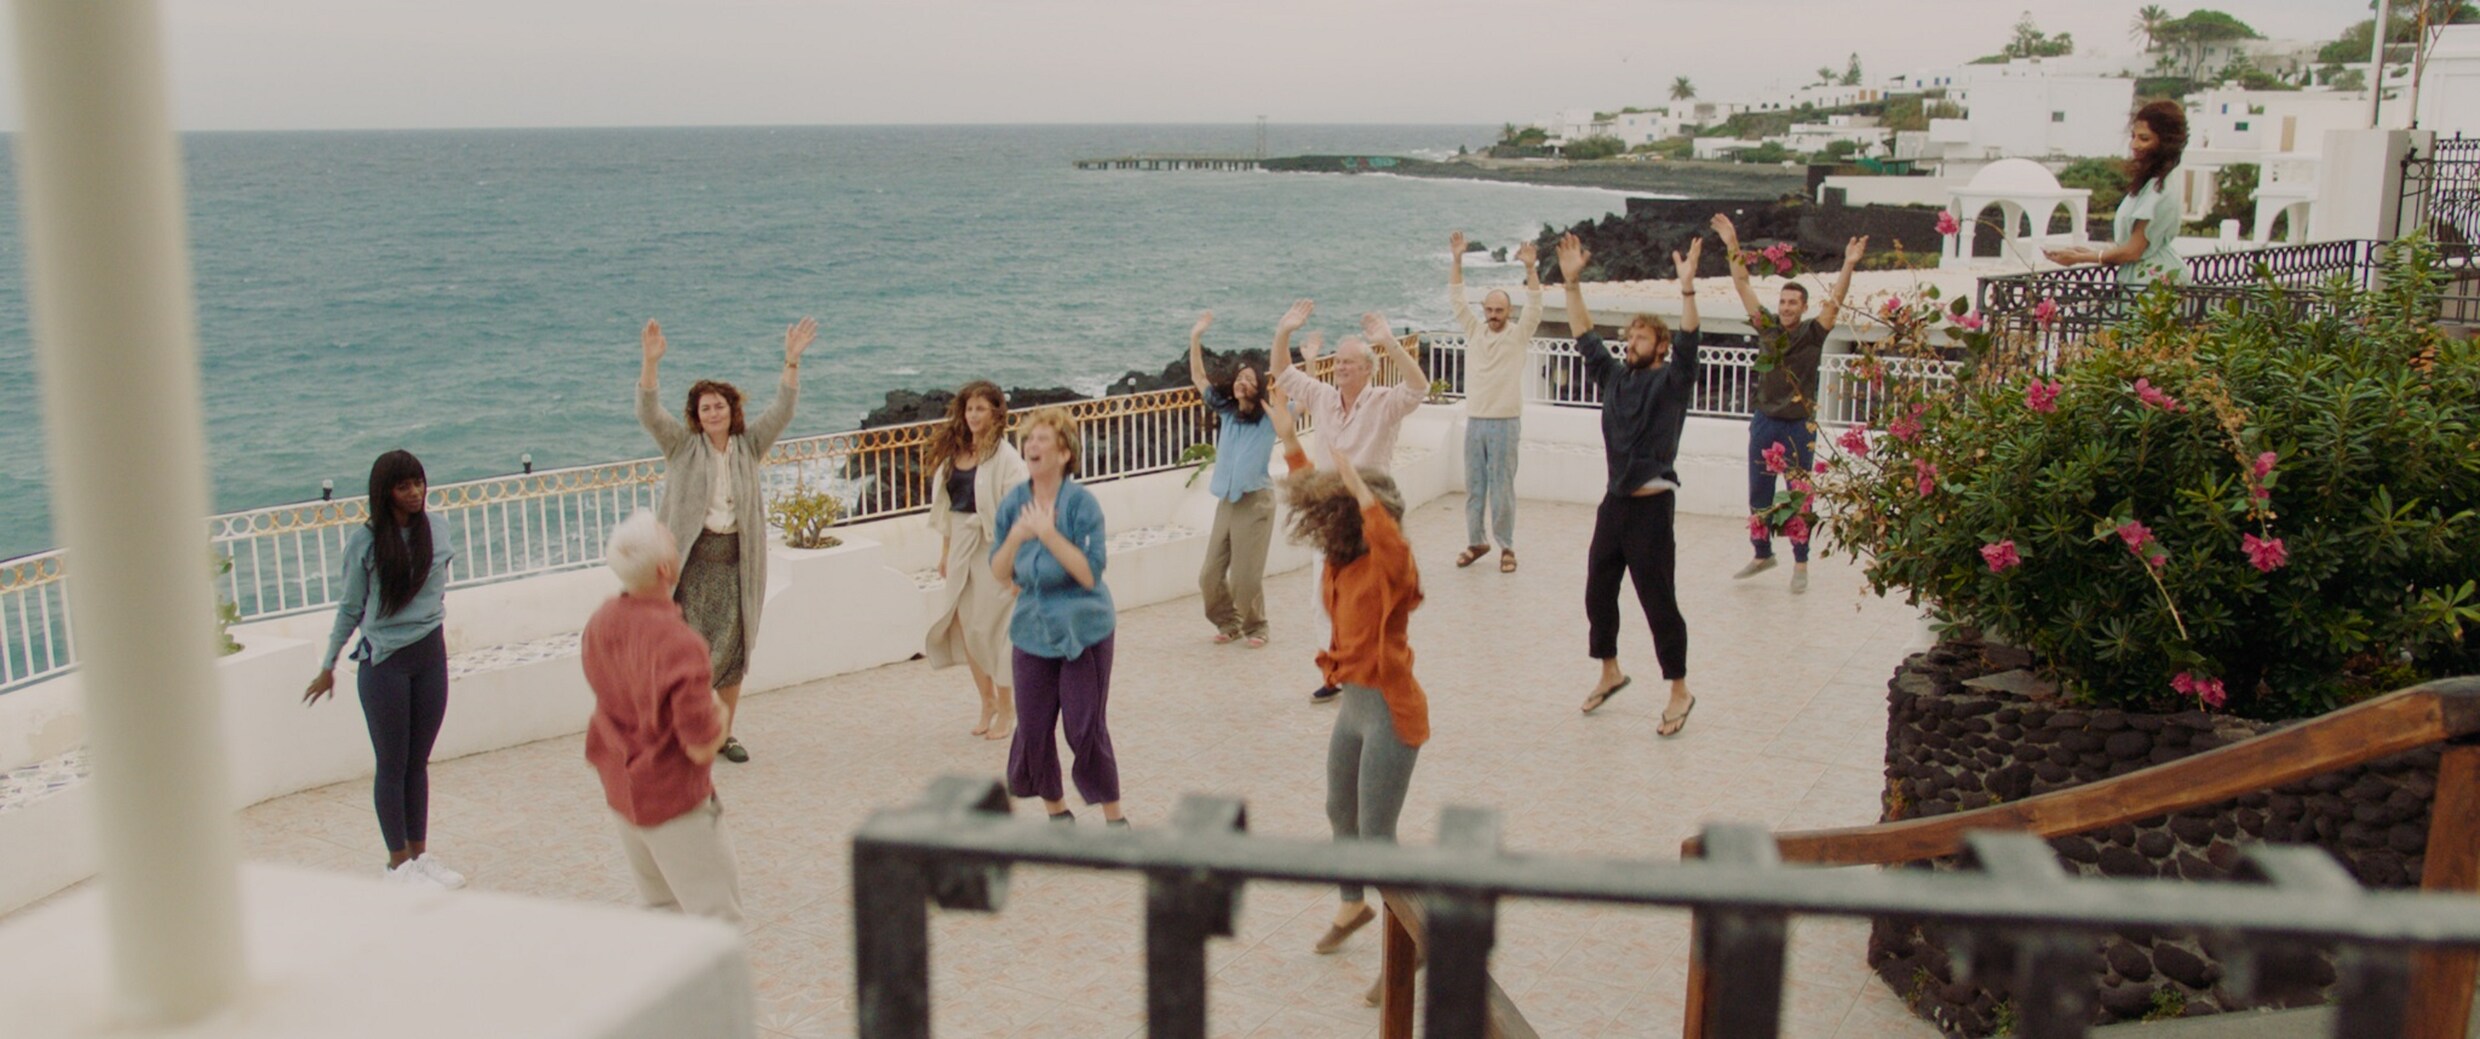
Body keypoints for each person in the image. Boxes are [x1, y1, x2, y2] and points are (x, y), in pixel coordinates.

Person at [1266, 383, 1427, 957]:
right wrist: (1289, 440)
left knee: (1378, 839)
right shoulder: (1340, 557)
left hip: (1390, 713)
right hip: (1355, 708)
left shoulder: (1391, 568)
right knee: (1341, 811)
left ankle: (1418, 941)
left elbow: (1391, 546)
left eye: (1348, 504)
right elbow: (1309, 491)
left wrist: (1362, 490)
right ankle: (1351, 903)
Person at [635, 317, 814, 763]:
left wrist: (791, 360)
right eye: (704, 408)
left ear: (732, 410)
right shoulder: (681, 446)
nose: (712, 413)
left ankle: (722, 735)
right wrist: (650, 363)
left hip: (736, 563)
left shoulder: (749, 446)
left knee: (732, 656)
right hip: (692, 566)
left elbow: (783, 409)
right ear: (695, 416)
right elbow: (648, 413)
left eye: (719, 406)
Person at [302, 450, 465, 889]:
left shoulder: (439, 529)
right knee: (392, 764)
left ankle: (420, 854)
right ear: (385, 493)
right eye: (403, 486)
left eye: (418, 483)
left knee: (419, 762)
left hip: (431, 655)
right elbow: (350, 607)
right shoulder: (367, 542)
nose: (414, 493)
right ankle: (397, 864)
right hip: (386, 663)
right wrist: (328, 664)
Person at [1560, 232, 1700, 736]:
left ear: (1659, 346)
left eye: (1641, 337)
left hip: (1651, 507)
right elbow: (1584, 335)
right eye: (1630, 335)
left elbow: (1689, 344)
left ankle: (1679, 690)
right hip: (1614, 502)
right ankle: (1610, 671)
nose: (1630, 341)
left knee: (1657, 598)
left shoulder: (1671, 383)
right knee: (1599, 590)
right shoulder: (1616, 378)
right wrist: (1571, 283)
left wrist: (1687, 292)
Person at [581, 510, 744, 925]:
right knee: (717, 918)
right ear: (666, 569)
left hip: (623, 789)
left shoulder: (601, 622)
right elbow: (701, 741)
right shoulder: (679, 643)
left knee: (660, 911)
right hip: (674, 798)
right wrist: (720, 713)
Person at [1270, 304, 1426, 705]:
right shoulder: (1322, 397)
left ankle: (1370, 666)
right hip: (1331, 512)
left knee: (1370, 596)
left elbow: (1418, 386)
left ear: (1368, 369)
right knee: (1324, 593)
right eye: (1337, 361)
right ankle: (1334, 672)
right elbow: (1284, 373)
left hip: (1371, 512)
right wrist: (1283, 331)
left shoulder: (1383, 403)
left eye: (1349, 363)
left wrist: (1389, 341)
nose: (1340, 367)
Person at [1711, 214, 1864, 595]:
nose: (1786, 307)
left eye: (1793, 301)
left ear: (1804, 305)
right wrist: (1732, 242)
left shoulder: (1813, 334)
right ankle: (1762, 553)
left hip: (1798, 426)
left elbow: (1836, 301)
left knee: (1799, 496)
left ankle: (1801, 562)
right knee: (1759, 494)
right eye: (1782, 300)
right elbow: (1742, 283)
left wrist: (1848, 263)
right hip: (1765, 421)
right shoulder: (1767, 327)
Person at [992, 408, 1128, 826]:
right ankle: (1057, 811)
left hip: (1083, 631)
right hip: (1032, 629)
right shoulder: (1014, 503)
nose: (1032, 445)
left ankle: (1114, 816)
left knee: (1084, 727)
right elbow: (1000, 573)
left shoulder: (1082, 504)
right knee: (1032, 728)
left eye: (1042, 439)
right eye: (1029, 438)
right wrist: (1018, 535)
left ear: (1066, 452)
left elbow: (1089, 573)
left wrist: (1048, 534)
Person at [923, 379, 1029, 739]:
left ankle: (1007, 709)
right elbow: (946, 507)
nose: (973, 415)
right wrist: (946, 552)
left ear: (996, 413)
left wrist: (1016, 562)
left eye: (981, 408)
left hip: (994, 551)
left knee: (997, 633)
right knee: (969, 631)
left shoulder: (1006, 458)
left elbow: (1018, 512)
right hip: (962, 551)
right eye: (969, 408)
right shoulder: (957, 452)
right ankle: (986, 702)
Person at [1448, 232, 1542, 573]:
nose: (1493, 314)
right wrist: (1458, 260)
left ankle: (1507, 546)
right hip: (1476, 420)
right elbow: (1457, 299)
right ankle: (1476, 541)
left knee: (1502, 488)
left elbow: (1535, 306)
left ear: (1508, 311)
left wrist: (1530, 269)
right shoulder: (1475, 331)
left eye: (1499, 310)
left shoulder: (1518, 334)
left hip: (1505, 422)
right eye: (1488, 309)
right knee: (1474, 488)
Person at [1188, 311, 1279, 648]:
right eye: (1239, 377)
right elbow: (1199, 378)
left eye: (1250, 378)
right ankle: (1229, 622)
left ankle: (1257, 627)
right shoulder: (1227, 412)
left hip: (1256, 502)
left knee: (1244, 579)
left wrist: (1310, 364)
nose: (1242, 381)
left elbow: (1300, 404)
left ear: (1259, 388)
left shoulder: (1267, 420)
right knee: (1209, 576)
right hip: (1227, 500)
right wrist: (1196, 337)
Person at [2042, 99, 2190, 287]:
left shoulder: (2160, 189)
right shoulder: (2153, 183)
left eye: (2144, 139)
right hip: (2147, 276)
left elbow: (2133, 251)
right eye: (2133, 136)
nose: (2134, 145)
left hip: (2152, 282)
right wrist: (2084, 253)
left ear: (2166, 143)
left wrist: (2082, 258)